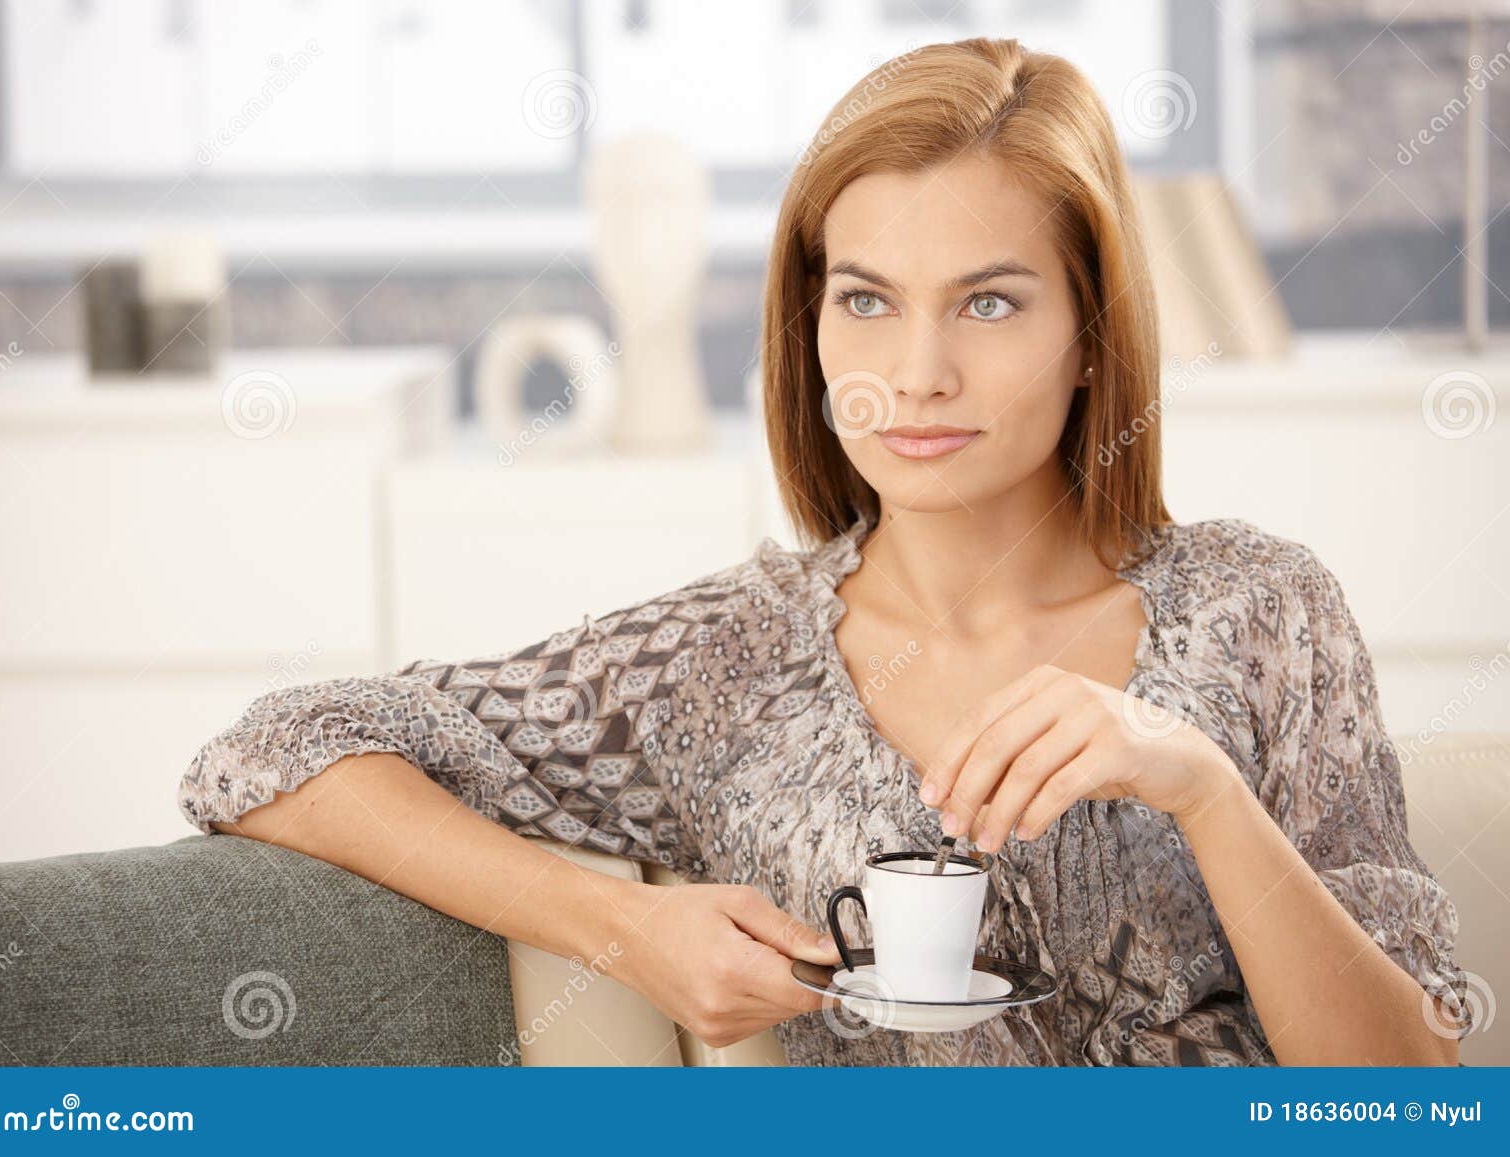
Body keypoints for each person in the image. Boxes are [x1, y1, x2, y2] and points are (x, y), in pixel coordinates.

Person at [178, 37, 1472, 1066]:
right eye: (866, 300)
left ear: (1091, 334)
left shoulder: (1262, 610)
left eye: (989, 300)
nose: (917, 374)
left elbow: (1410, 1095)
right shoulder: (722, 661)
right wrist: (626, 927)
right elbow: (273, 750)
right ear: (810, 330)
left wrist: (1197, 782)